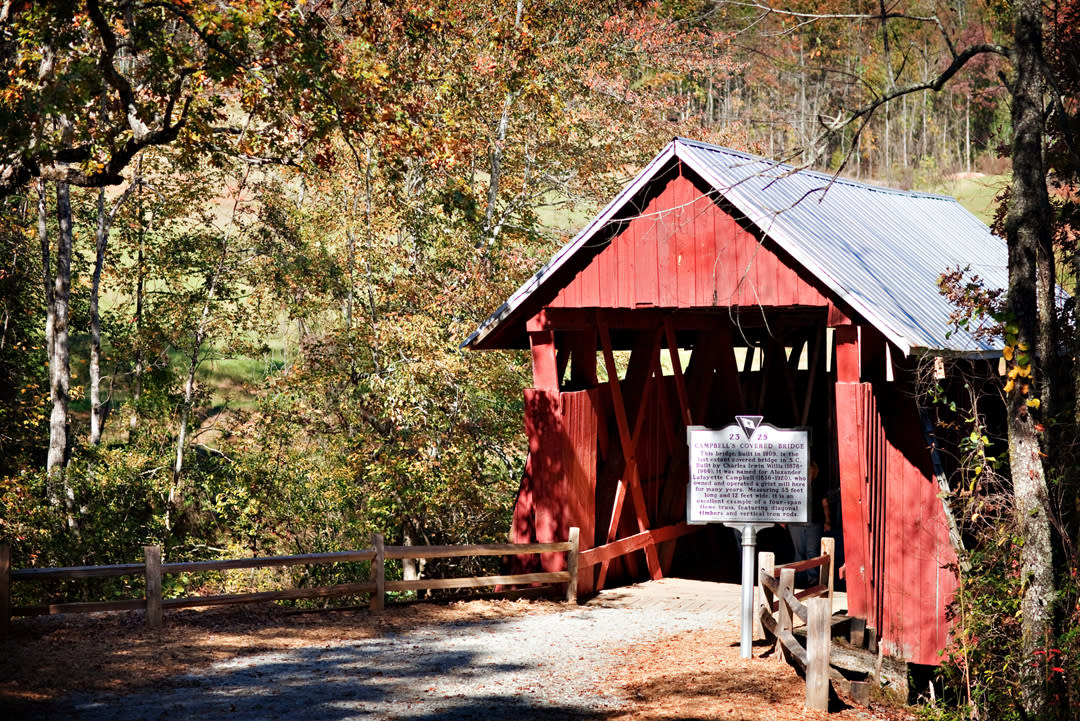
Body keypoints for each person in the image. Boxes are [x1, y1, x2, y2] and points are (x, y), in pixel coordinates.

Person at [788, 460, 827, 586]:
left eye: (810, 471)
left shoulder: (818, 485)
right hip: (797, 523)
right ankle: (799, 580)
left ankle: (813, 580)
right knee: (798, 552)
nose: (807, 473)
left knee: (812, 552)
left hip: (814, 522)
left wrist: (828, 521)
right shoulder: (794, 484)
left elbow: (824, 503)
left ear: (814, 472)